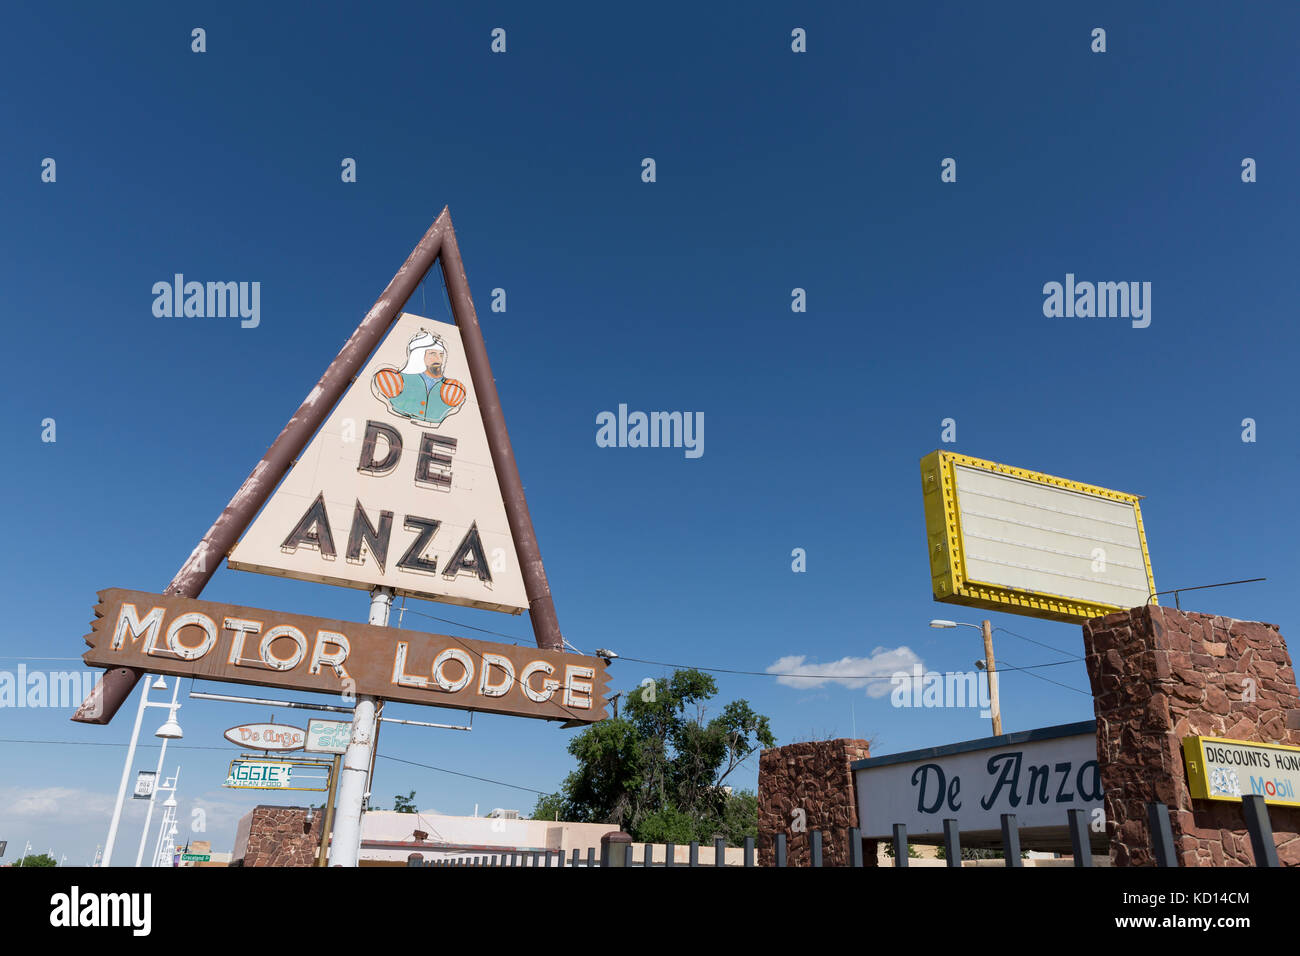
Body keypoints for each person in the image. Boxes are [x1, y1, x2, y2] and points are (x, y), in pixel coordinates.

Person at [372, 329, 467, 425]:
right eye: (432, 354)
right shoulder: (394, 379)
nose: (438, 359)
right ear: (419, 355)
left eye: (441, 355)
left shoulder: (454, 388)